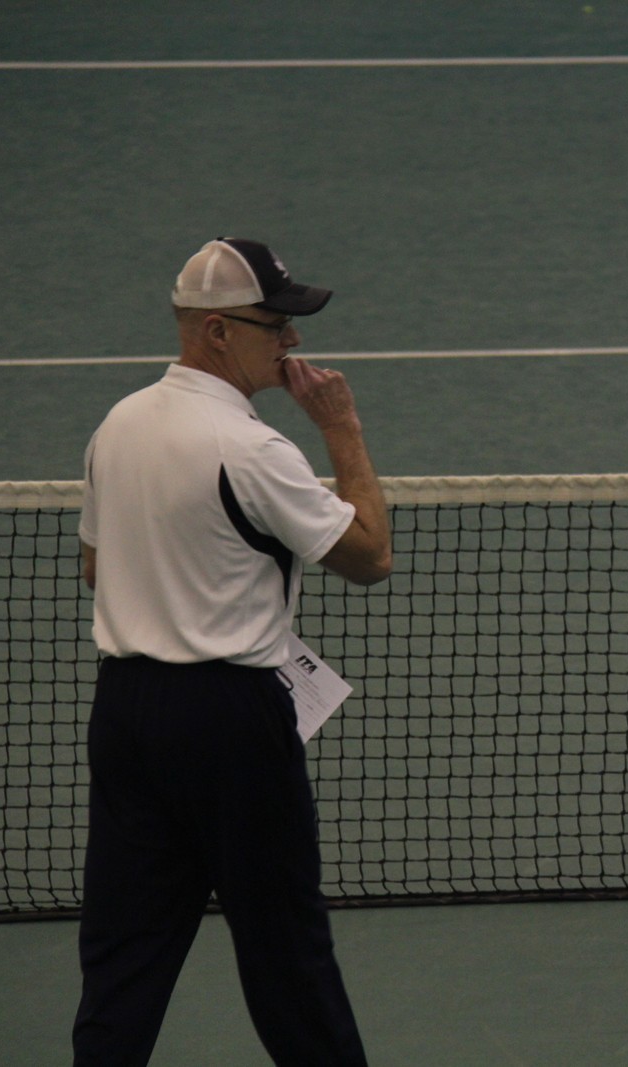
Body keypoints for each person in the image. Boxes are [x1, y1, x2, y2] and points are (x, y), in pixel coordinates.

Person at [73, 237, 391, 1066]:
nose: (290, 341)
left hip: (126, 715)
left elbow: (96, 566)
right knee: (289, 956)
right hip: (229, 725)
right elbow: (368, 555)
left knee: (122, 963)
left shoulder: (119, 425)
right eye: (274, 323)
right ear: (217, 331)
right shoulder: (252, 448)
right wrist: (343, 429)